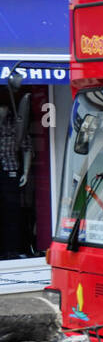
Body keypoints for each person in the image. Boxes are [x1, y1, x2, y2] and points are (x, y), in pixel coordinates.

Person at [0, 103, 32, 259]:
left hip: (10, 170)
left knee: (12, 213)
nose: (1, 111)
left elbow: (27, 148)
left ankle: (13, 249)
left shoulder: (16, 124)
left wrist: (25, 171)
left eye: (3, 108)